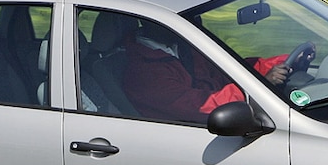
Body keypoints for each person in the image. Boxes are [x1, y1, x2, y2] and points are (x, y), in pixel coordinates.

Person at [122, 21, 292, 123]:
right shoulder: (144, 74)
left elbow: (228, 71)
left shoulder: (181, 46)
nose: (197, 25)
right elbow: (201, 106)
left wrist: (282, 61)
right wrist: (259, 87)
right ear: (152, 24)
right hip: (188, 138)